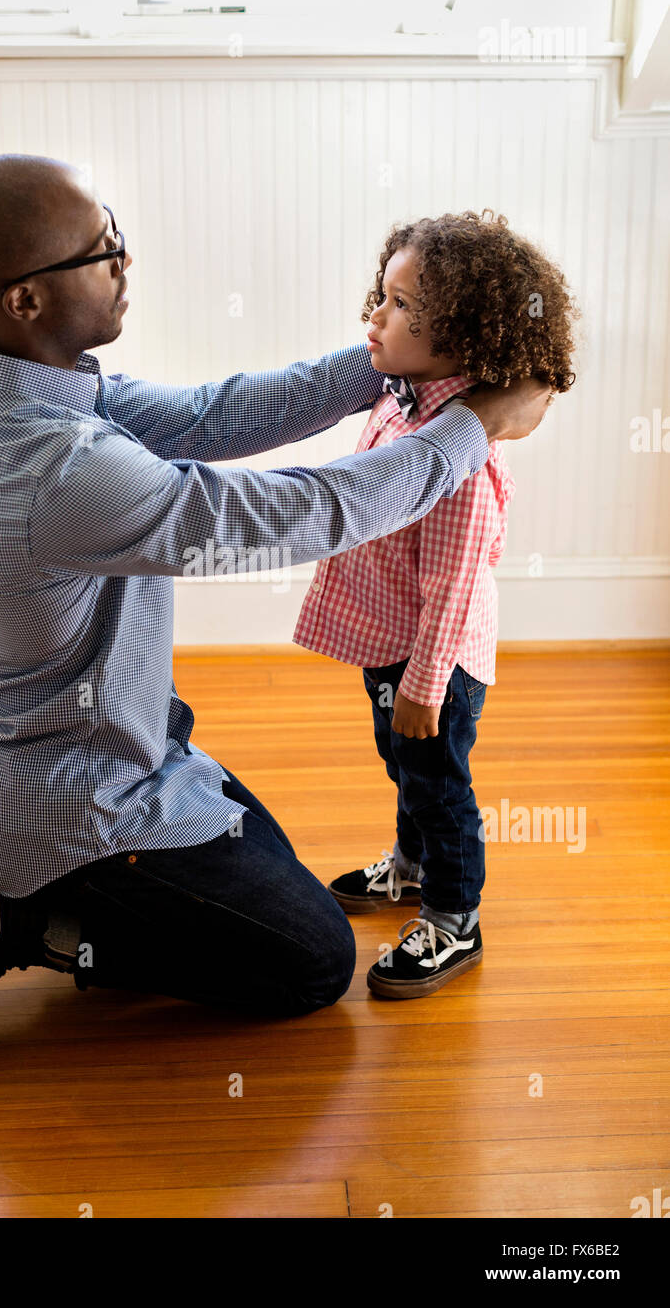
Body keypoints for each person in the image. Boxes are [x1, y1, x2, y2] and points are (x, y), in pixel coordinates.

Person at [0, 155, 555, 1061]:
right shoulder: (55, 470)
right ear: (25, 298)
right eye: (102, 252)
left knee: (278, 876)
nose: (124, 262)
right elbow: (300, 512)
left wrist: (390, 359)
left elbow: (217, 414)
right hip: (74, 787)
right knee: (313, 964)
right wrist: (472, 423)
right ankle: (24, 920)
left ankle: (24, 869)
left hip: (83, 740)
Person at [293, 210, 577, 998]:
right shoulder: (402, 397)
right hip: (392, 638)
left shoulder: (458, 453)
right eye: (382, 296)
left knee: (437, 784)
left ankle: (454, 919)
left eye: (402, 307)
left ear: (462, 337)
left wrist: (422, 684)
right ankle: (413, 868)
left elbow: (452, 582)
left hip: (432, 660)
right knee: (405, 766)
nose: (375, 317)